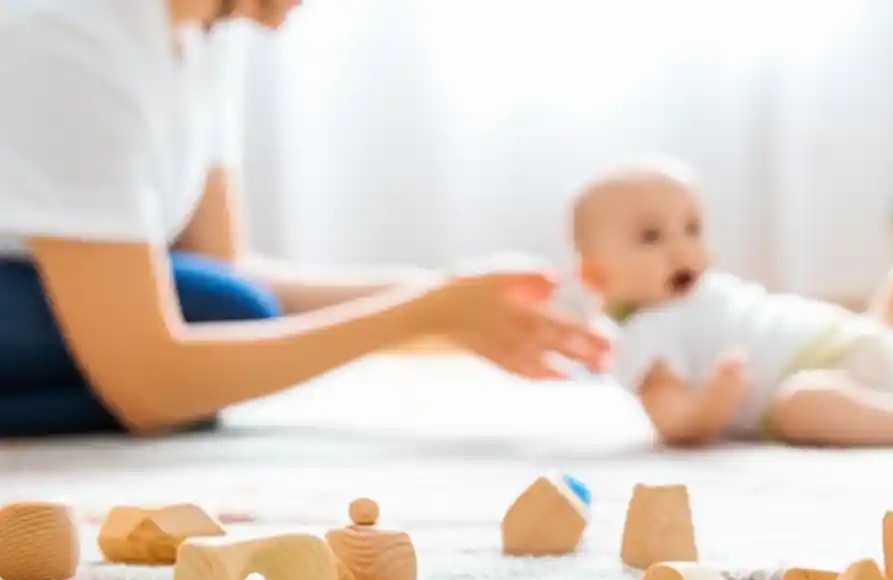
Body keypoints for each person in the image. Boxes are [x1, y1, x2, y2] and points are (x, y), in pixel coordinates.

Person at [0, 0, 609, 437]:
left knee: (226, 309)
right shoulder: (70, 37)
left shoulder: (206, 32)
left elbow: (225, 268)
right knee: (224, 320)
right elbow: (150, 390)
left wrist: (455, 297)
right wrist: (423, 314)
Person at [572, 161, 893, 447]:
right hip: (844, 387)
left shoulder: (702, 290)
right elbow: (672, 418)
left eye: (692, 228)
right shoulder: (640, 335)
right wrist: (711, 406)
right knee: (800, 405)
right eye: (650, 237)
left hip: (872, 341)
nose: (683, 247)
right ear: (598, 274)